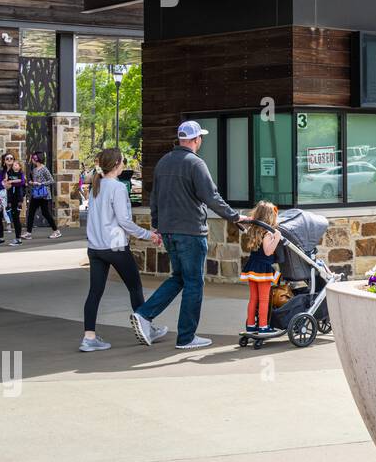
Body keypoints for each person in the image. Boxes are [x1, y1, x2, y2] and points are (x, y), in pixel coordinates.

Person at [130, 121, 248, 351]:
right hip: (191, 233)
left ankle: (144, 315)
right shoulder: (196, 164)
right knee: (194, 283)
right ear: (196, 140)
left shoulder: (163, 162)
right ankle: (186, 337)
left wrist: (157, 225)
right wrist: (234, 217)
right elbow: (211, 197)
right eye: (200, 137)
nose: (201, 141)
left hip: (169, 231)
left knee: (179, 278)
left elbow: (154, 198)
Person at [81, 148, 160, 352]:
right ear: (117, 164)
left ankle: (89, 338)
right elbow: (125, 221)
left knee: (95, 292)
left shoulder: (95, 187)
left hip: (95, 247)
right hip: (115, 246)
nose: (124, 163)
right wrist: (148, 235)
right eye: (123, 161)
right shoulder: (117, 187)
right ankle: (146, 328)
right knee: (134, 287)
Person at [240, 200, 282, 334]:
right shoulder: (268, 233)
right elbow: (268, 251)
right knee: (264, 300)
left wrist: (248, 220)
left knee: (253, 298)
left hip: (252, 267)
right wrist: (277, 237)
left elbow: (240, 224)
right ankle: (263, 326)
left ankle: (251, 325)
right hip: (263, 270)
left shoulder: (254, 230)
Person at [23, 151, 62, 240]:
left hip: (44, 195)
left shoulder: (44, 169)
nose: (31, 159)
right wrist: (32, 183)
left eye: (33, 158)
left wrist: (41, 183)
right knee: (31, 213)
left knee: (45, 213)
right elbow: (36, 181)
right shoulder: (34, 169)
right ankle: (28, 233)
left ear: (36, 159)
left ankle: (56, 231)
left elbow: (51, 180)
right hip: (36, 194)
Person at [0, 154, 27, 247]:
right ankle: (0, 238)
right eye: (7, 158)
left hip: (14, 197)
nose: (10, 160)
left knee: (15, 217)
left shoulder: (17, 170)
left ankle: (18, 238)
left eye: (11, 158)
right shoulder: (3, 171)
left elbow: (22, 182)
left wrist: (11, 184)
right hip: (2, 196)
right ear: (4, 161)